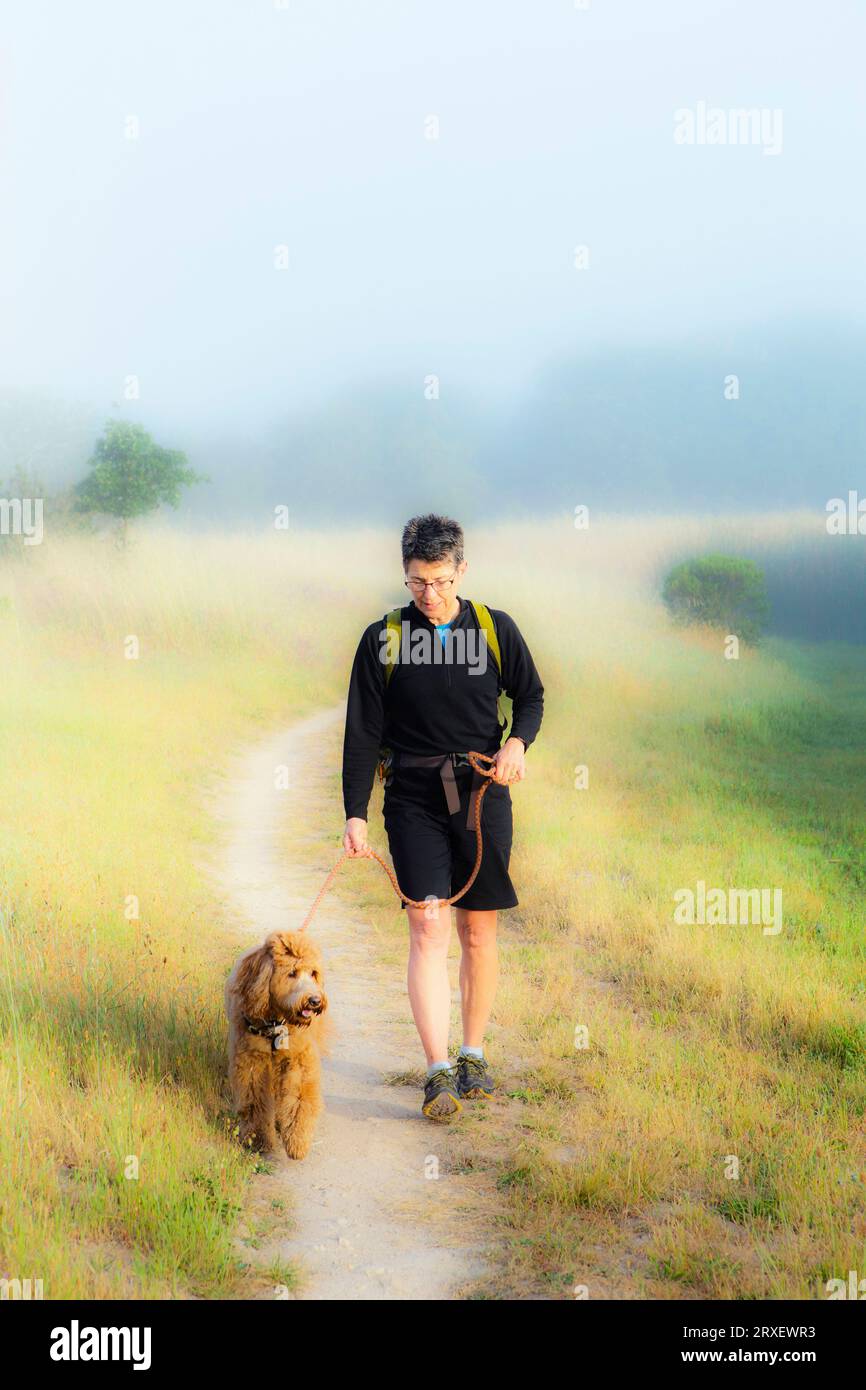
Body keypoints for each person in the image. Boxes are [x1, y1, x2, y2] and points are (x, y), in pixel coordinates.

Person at [341, 514, 544, 1120]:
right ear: (404, 576)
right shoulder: (385, 639)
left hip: (482, 793)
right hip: (412, 799)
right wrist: (356, 815)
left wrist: (516, 746)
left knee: (478, 931)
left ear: (461, 569)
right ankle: (436, 1071)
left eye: (438, 580)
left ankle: (473, 1052)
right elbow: (361, 734)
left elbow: (530, 698)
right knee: (428, 926)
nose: (428, 595)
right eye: (415, 582)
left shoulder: (494, 629)